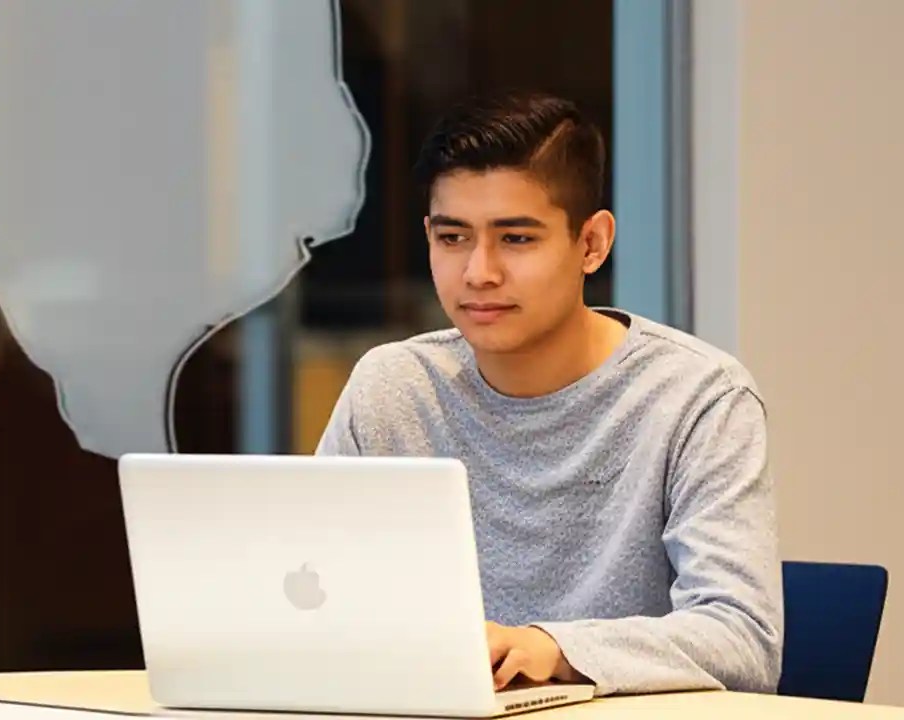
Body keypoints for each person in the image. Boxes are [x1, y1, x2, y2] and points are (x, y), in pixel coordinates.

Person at [316, 91, 782, 696]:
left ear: (591, 243)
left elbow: (742, 638)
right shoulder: (393, 387)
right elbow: (316, 594)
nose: (479, 272)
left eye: (516, 239)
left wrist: (555, 647)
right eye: (453, 238)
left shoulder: (696, 397)